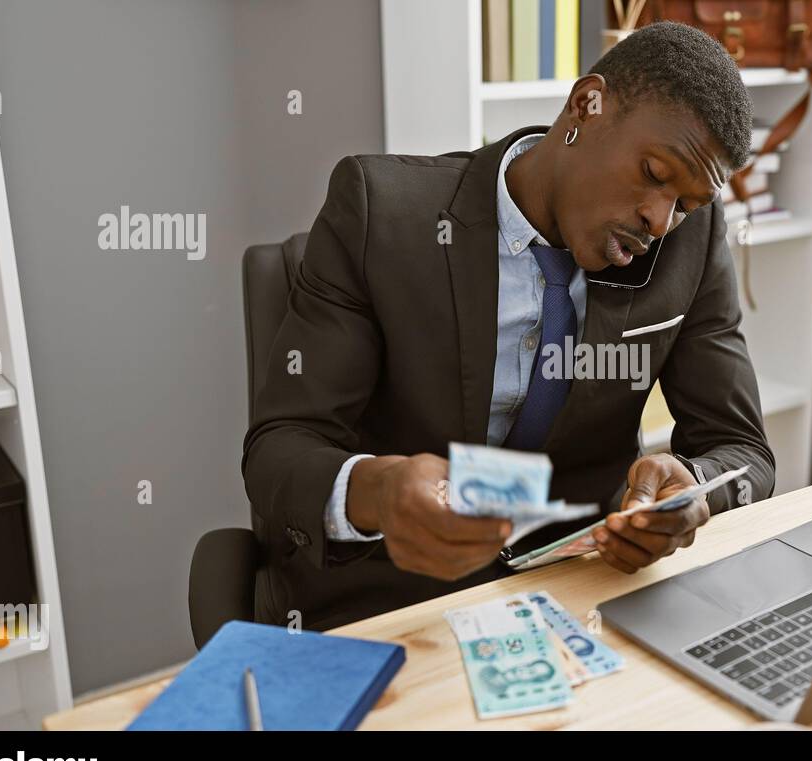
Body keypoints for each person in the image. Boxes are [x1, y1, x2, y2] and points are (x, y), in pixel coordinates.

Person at [243, 22, 775, 630]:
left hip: (579, 590)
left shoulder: (691, 243)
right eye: (654, 173)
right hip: (390, 595)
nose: (660, 220)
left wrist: (693, 489)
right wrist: (380, 492)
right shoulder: (380, 211)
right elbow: (280, 446)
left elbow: (744, 451)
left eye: (686, 204)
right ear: (586, 106)